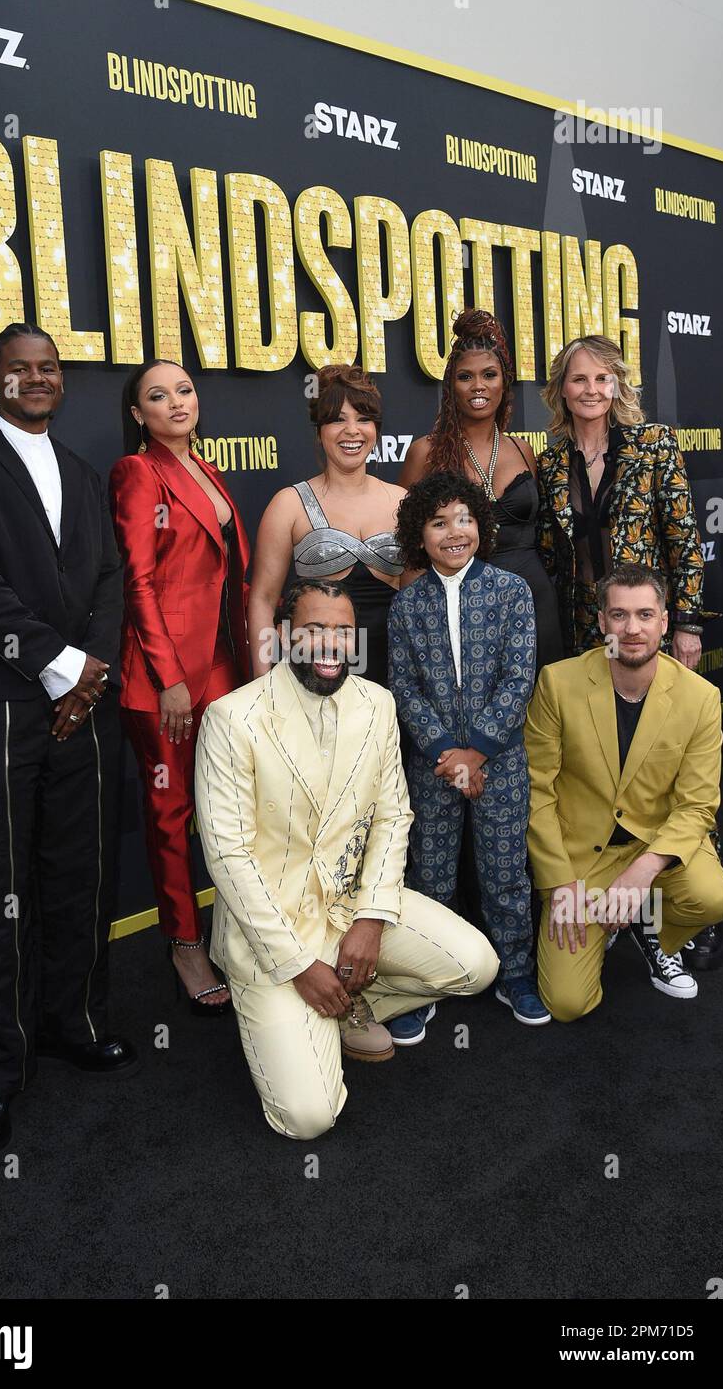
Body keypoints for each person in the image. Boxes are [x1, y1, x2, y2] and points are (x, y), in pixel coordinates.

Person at [0, 323, 135, 1171]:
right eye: (21, 370)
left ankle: (73, 1022)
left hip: (84, 707)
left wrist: (91, 677)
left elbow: (112, 581)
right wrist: (60, 669)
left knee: (79, 876)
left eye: (49, 369)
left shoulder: (83, 475)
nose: (38, 379)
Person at [194, 580, 499, 1139]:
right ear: (284, 634)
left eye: (341, 630)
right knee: (308, 1120)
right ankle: (301, 1009)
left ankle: (348, 1006)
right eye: (313, 630)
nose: (330, 645)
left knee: (478, 967)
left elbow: (392, 818)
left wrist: (371, 918)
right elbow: (227, 856)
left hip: (352, 906)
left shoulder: (376, 703)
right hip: (275, 933)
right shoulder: (232, 717)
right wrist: (299, 967)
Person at [523, 563, 723, 1021]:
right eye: (619, 615)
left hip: (654, 846)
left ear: (664, 621)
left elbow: (698, 804)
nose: (632, 629)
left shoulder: (699, 698)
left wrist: (644, 870)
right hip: (584, 856)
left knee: (713, 897)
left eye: (644, 615)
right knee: (566, 1004)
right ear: (601, 622)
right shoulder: (558, 683)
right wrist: (560, 884)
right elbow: (537, 793)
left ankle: (652, 923)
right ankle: (616, 917)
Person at [110, 360, 250, 1013]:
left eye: (184, 390)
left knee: (229, 811)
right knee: (171, 817)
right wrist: (168, 679)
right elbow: (136, 582)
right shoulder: (138, 474)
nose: (175, 402)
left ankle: (234, 932)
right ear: (137, 415)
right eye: (157, 396)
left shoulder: (207, 468)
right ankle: (184, 943)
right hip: (161, 679)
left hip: (221, 669)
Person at [388, 473, 549, 1029]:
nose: (453, 532)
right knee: (430, 876)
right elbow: (404, 689)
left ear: (482, 523)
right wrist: (446, 755)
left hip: (499, 763)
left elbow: (518, 678)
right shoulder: (406, 606)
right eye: (438, 523)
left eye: (464, 519)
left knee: (505, 871)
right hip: (432, 765)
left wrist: (475, 753)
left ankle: (515, 975)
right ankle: (425, 982)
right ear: (419, 535)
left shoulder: (511, 592)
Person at [400, 308, 563, 675]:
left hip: (536, 604)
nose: (478, 386)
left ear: (504, 382)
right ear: (450, 387)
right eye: (465, 376)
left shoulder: (524, 451)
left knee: (540, 714)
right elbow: (409, 552)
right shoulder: (425, 454)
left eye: (489, 375)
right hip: (457, 610)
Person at [536, 334, 706, 667]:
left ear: (616, 386)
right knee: (593, 717)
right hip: (581, 626)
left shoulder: (654, 445)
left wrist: (688, 625)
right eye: (579, 379)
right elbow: (547, 556)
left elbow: (684, 542)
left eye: (603, 379)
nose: (591, 390)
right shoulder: (549, 463)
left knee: (648, 714)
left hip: (643, 622)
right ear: (563, 388)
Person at [248, 364, 404, 687]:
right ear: (319, 430)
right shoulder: (289, 504)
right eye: (338, 420)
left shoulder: (402, 501)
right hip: (318, 670)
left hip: (395, 667)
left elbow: (420, 596)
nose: (352, 431)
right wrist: (264, 684)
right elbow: (263, 600)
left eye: (363, 419)